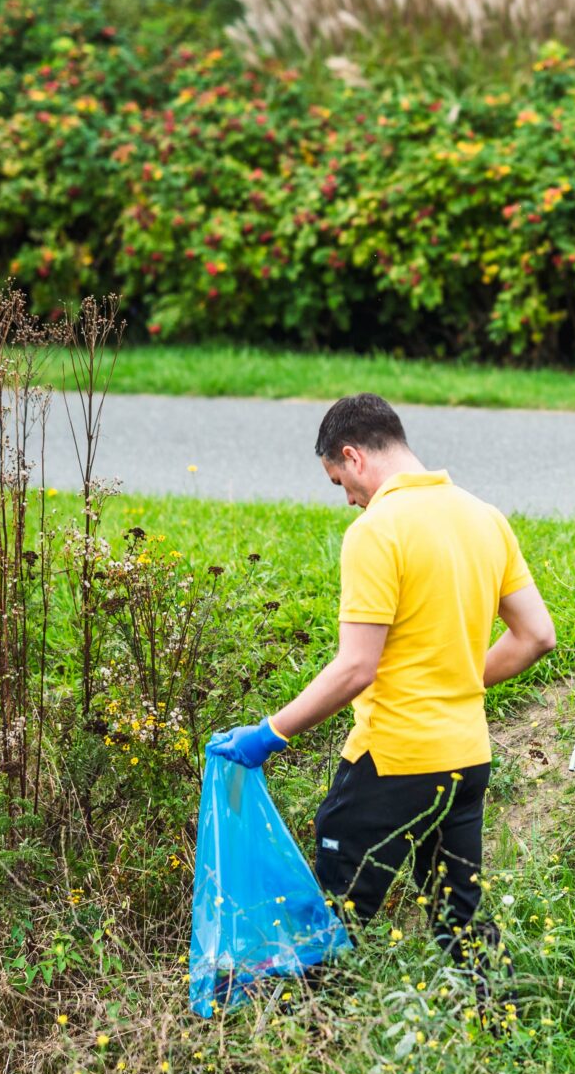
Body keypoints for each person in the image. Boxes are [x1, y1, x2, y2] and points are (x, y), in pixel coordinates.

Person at [208, 393, 556, 1001]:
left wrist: (270, 734)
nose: (345, 497)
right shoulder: (483, 517)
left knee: (331, 922)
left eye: (339, 480)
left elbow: (355, 669)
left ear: (353, 456)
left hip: (391, 761)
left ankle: (309, 1052)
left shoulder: (377, 532)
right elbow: (536, 637)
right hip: (465, 760)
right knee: (461, 920)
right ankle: (502, 1041)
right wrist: (453, 677)